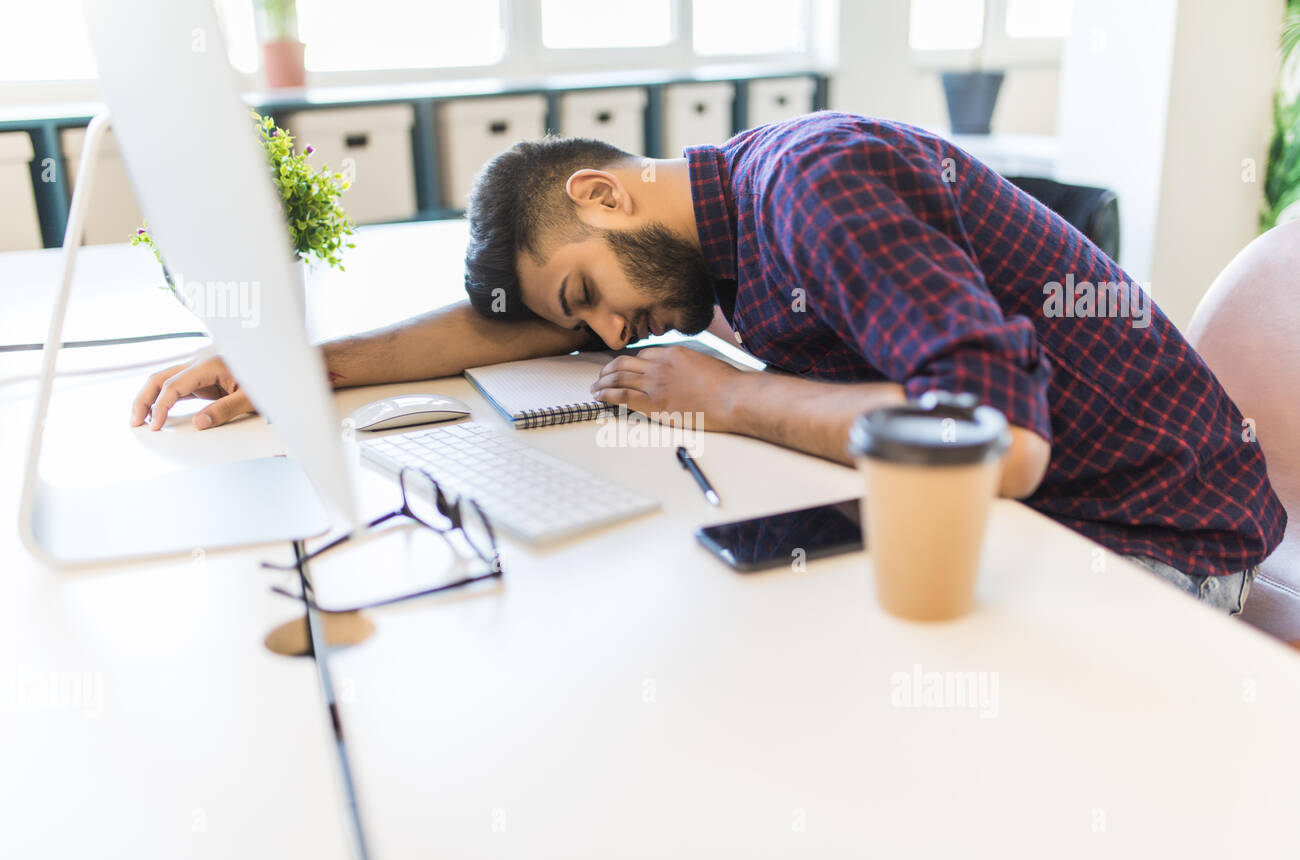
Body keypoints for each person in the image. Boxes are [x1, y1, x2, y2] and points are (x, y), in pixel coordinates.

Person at [131, 112, 1285, 614]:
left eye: (589, 298)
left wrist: (730, 397)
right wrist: (292, 363)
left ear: (600, 190)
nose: (607, 336)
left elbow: (998, 443)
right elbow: (514, 325)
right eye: (579, 324)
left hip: (1154, 542)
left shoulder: (814, 187)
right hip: (1059, 512)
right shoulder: (712, 234)